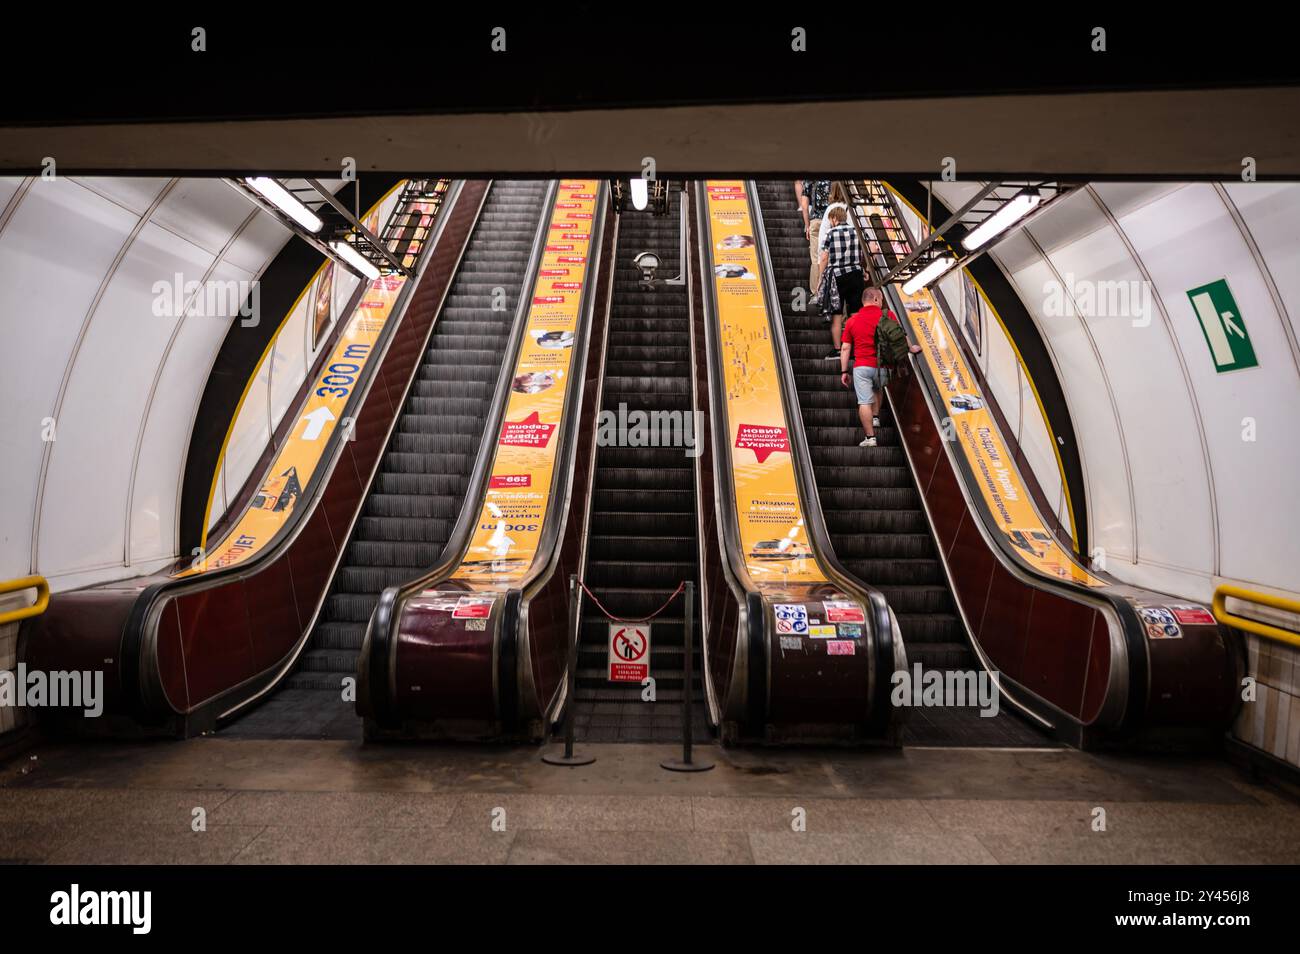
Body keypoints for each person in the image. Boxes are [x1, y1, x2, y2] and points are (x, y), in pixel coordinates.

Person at [840, 287, 922, 446]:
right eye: (882, 299)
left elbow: (845, 348)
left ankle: (870, 438)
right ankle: (876, 417)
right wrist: (912, 348)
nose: (882, 302)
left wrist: (844, 371)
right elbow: (900, 336)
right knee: (877, 388)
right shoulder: (887, 315)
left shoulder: (852, 321)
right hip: (883, 365)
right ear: (876, 299)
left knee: (864, 402)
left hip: (862, 367)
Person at [818, 206, 864, 360]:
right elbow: (868, 248)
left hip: (837, 277)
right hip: (856, 275)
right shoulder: (857, 231)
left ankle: (838, 350)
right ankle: (858, 349)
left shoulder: (830, 233)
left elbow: (824, 257)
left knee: (837, 315)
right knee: (856, 314)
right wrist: (862, 268)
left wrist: (820, 278)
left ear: (834, 218)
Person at [795, 179, 832, 294]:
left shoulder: (809, 181)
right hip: (831, 221)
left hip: (815, 222)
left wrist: (807, 226)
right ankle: (829, 290)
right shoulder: (832, 181)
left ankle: (815, 292)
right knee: (829, 258)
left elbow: (805, 206)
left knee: (816, 258)